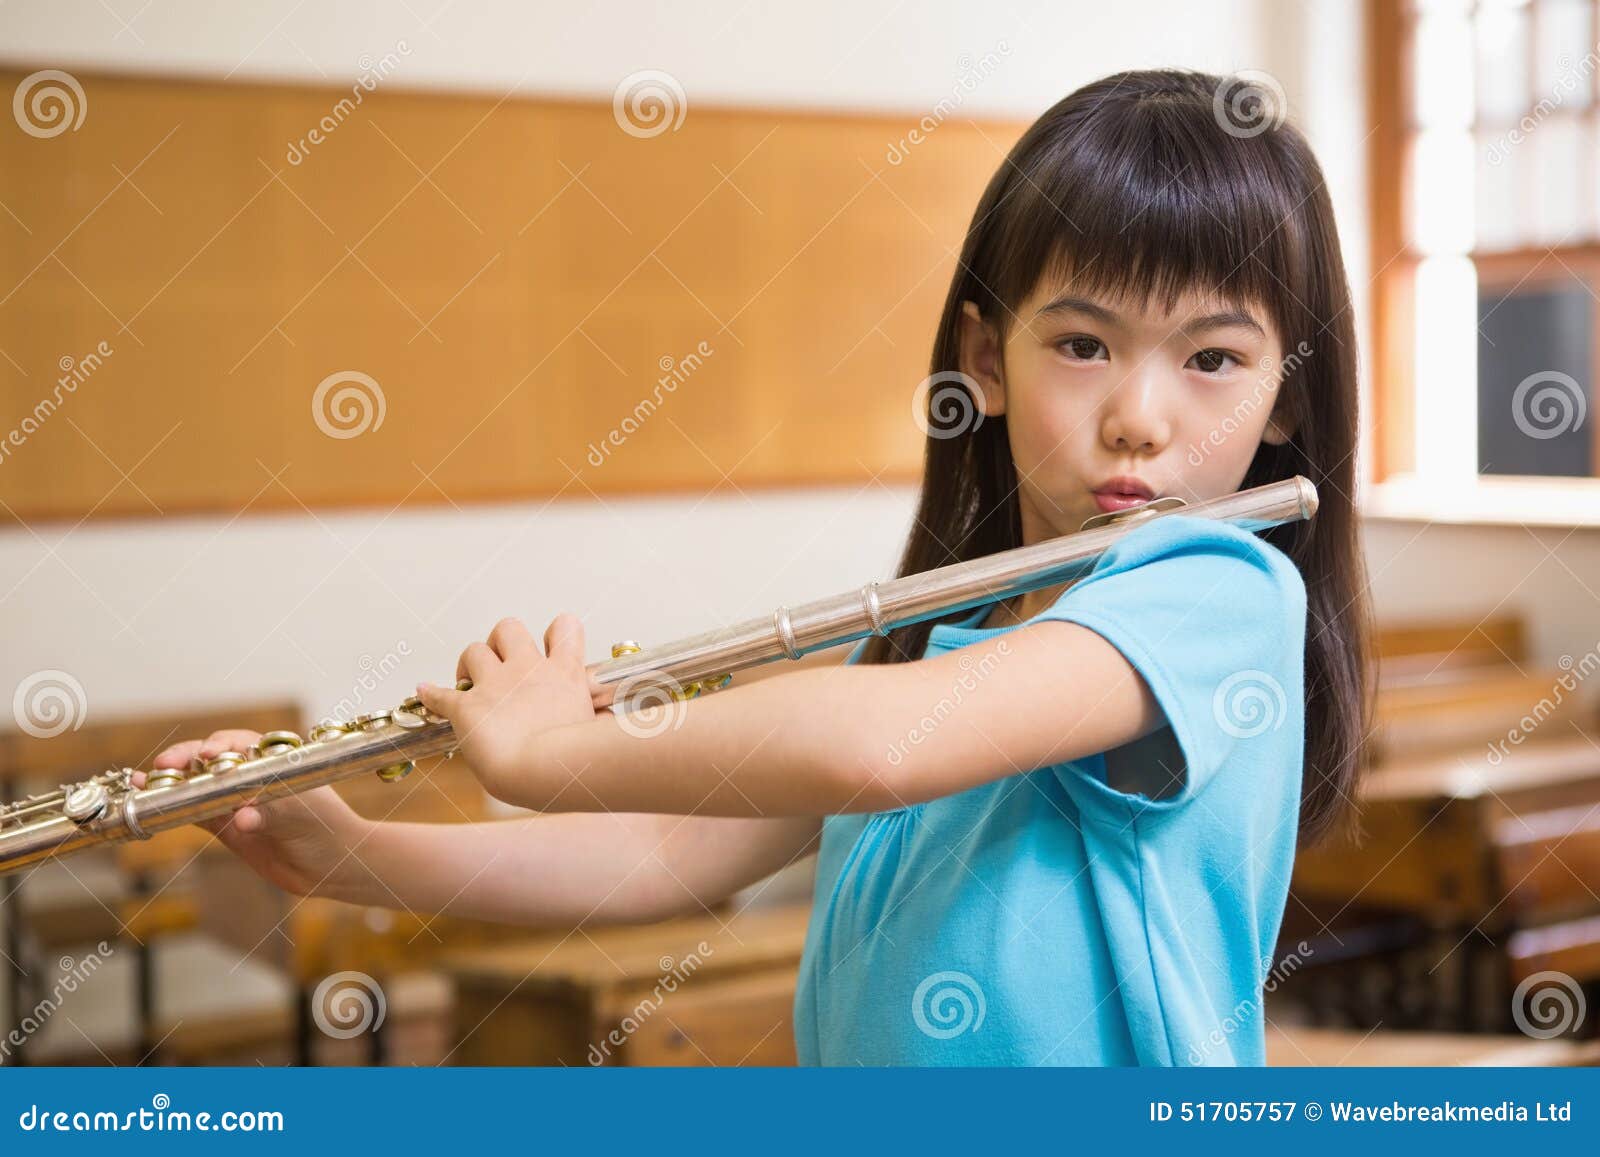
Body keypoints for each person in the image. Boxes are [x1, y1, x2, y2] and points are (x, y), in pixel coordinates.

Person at [151, 69, 1370, 1066]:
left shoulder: (1218, 589)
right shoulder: (959, 621)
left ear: (1285, 397)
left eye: (1211, 359)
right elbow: (665, 852)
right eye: (1083, 343)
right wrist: (357, 853)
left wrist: (555, 748)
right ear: (985, 361)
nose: (1139, 417)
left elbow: (881, 747)